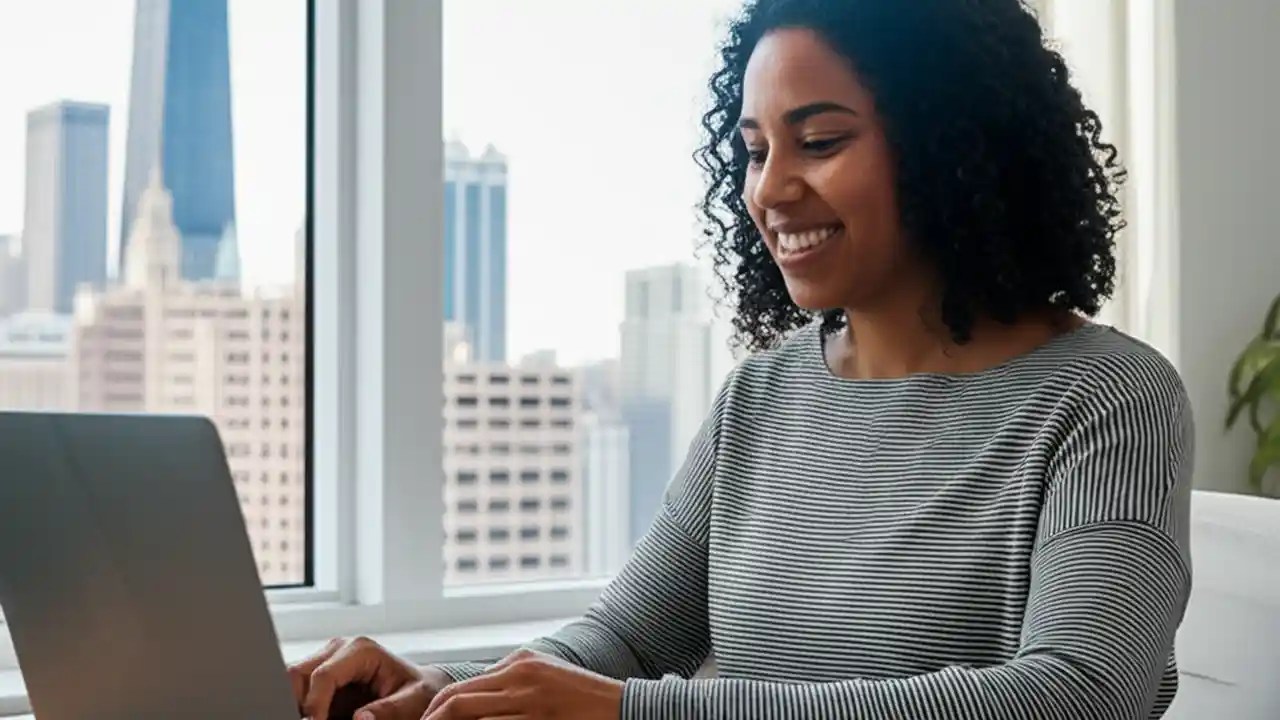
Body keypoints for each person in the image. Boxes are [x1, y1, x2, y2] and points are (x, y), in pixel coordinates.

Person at [291, 0, 1193, 717]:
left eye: (821, 140)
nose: (769, 190)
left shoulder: (1108, 399)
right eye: (755, 152)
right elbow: (626, 646)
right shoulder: (761, 395)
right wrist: (441, 686)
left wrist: (635, 714)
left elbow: (1076, 694)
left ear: (956, 148)